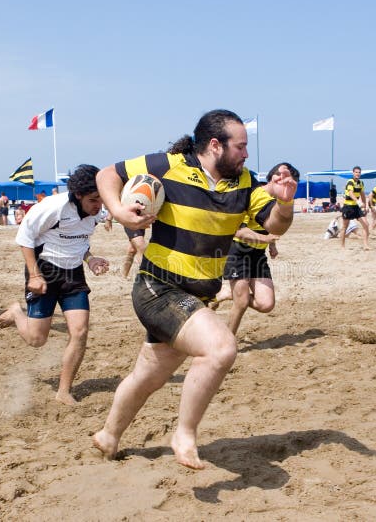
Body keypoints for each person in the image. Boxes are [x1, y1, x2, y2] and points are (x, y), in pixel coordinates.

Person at [92, 109, 297, 469]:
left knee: (148, 376)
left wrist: (284, 201)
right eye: (241, 147)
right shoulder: (169, 165)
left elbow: (275, 226)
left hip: (196, 296)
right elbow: (107, 174)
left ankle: (108, 436)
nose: (247, 154)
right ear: (215, 145)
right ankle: (184, 434)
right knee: (221, 349)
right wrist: (119, 211)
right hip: (157, 287)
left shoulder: (246, 182)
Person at [0, 165, 109, 405]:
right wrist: (34, 276)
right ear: (78, 195)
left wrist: (90, 260)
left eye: (100, 199)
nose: (98, 205)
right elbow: (24, 238)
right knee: (37, 340)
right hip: (44, 270)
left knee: (79, 331)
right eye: (93, 200)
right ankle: (17, 313)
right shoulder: (53, 207)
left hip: (74, 275)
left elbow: (78, 240)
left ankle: (64, 391)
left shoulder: (95, 213)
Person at [210, 162, 298, 335]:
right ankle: (228, 339)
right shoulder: (249, 193)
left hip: (257, 254)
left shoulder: (276, 203)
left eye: (289, 178)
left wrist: (271, 244)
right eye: (280, 176)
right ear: (272, 177)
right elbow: (239, 230)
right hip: (237, 250)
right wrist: (266, 238)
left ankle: (226, 292)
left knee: (266, 304)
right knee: (241, 302)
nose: (284, 180)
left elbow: (270, 227)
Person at [339, 166, 370, 249]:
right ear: (353, 173)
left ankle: (366, 245)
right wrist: (358, 201)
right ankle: (342, 246)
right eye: (356, 172)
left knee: (366, 224)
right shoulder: (350, 182)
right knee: (345, 227)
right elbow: (351, 193)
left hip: (357, 207)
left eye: (359, 172)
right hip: (348, 207)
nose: (358, 174)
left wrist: (365, 206)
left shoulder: (361, 183)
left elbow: (363, 195)